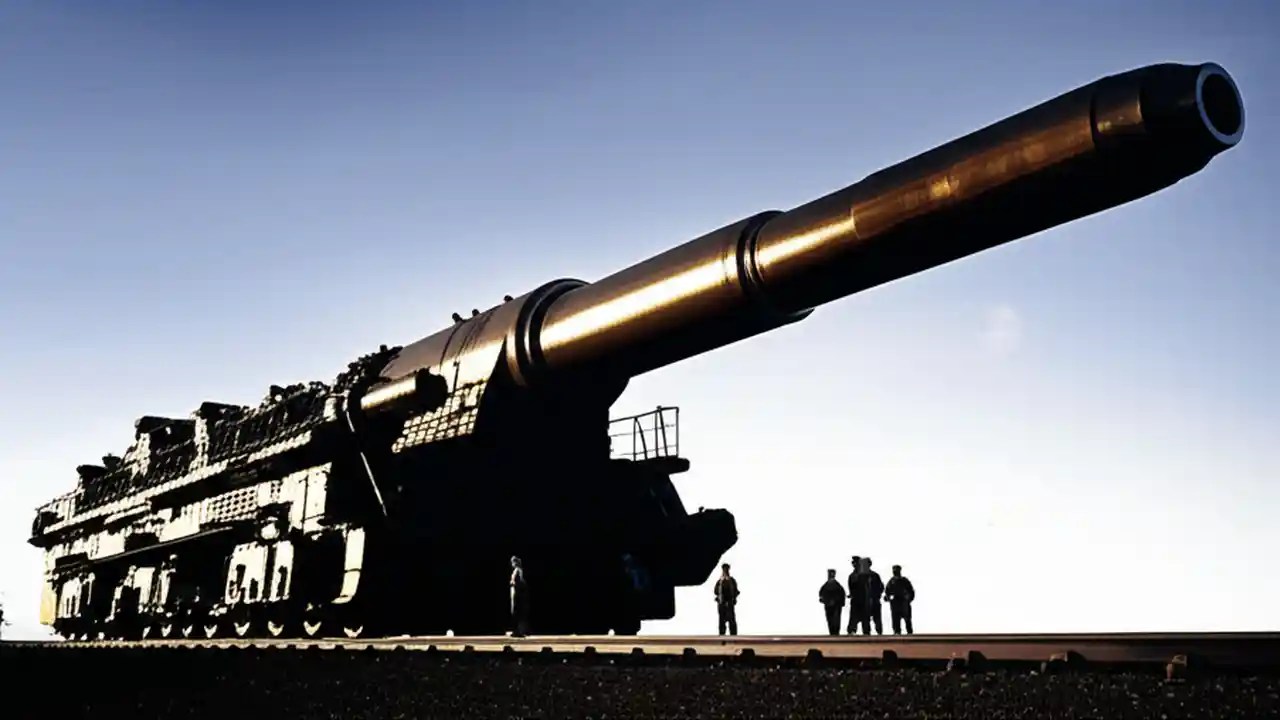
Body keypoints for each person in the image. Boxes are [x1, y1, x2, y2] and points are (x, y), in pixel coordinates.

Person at [885, 564, 915, 635]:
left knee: (907, 619)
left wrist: (909, 599)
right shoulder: (891, 581)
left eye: (896, 570)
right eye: (894, 570)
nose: (895, 571)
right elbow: (887, 591)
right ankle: (897, 632)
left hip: (904, 602)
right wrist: (888, 598)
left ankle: (909, 633)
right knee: (896, 620)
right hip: (895, 602)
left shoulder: (904, 580)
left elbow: (911, 591)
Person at [713, 563, 739, 635]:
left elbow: (736, 591)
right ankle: (722, 636)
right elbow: (715, 591)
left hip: (730, 603)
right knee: (722, 621)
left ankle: (733, 636)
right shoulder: (720, 581)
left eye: (726, 569)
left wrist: (733, 598)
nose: (725, 571)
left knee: (731, 621)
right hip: (722, 603)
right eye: (724, 569)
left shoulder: (731, 581)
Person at [818, 569, 846, 636]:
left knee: (835, 619)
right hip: (830, 605)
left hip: (835, 605)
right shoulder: (828, 585)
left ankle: (834, 633)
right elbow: (821, 594)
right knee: (831, 619)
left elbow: (842, 595)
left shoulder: (835, 585)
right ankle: (833, 632)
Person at [861, 558, 885, 635]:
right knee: (865, 619)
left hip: (874, 600)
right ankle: (866, 634)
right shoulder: (860, 576)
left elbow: (881, 587)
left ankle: (879, 632)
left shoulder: (875, 575)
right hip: (864, 601)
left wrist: (877, 595)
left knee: (877, 618)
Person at [509, 555, 530, 637]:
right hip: (516, 592)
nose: (512, 564)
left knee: (516, 611)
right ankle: (517, 630)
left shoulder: (517, 570)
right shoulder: (518, 570)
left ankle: (518, 631)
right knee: (516, 612)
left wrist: (513, 583)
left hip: (516, 593)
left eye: (513, 562)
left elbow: (518, 582)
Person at [846, 556, 865, 635]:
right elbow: (851, 587)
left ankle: (865, 631)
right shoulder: (852, 575)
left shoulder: (865, 575)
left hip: (864, 598)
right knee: (854, 615)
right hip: (856, 599)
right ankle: (852, 630)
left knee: (864, 616)